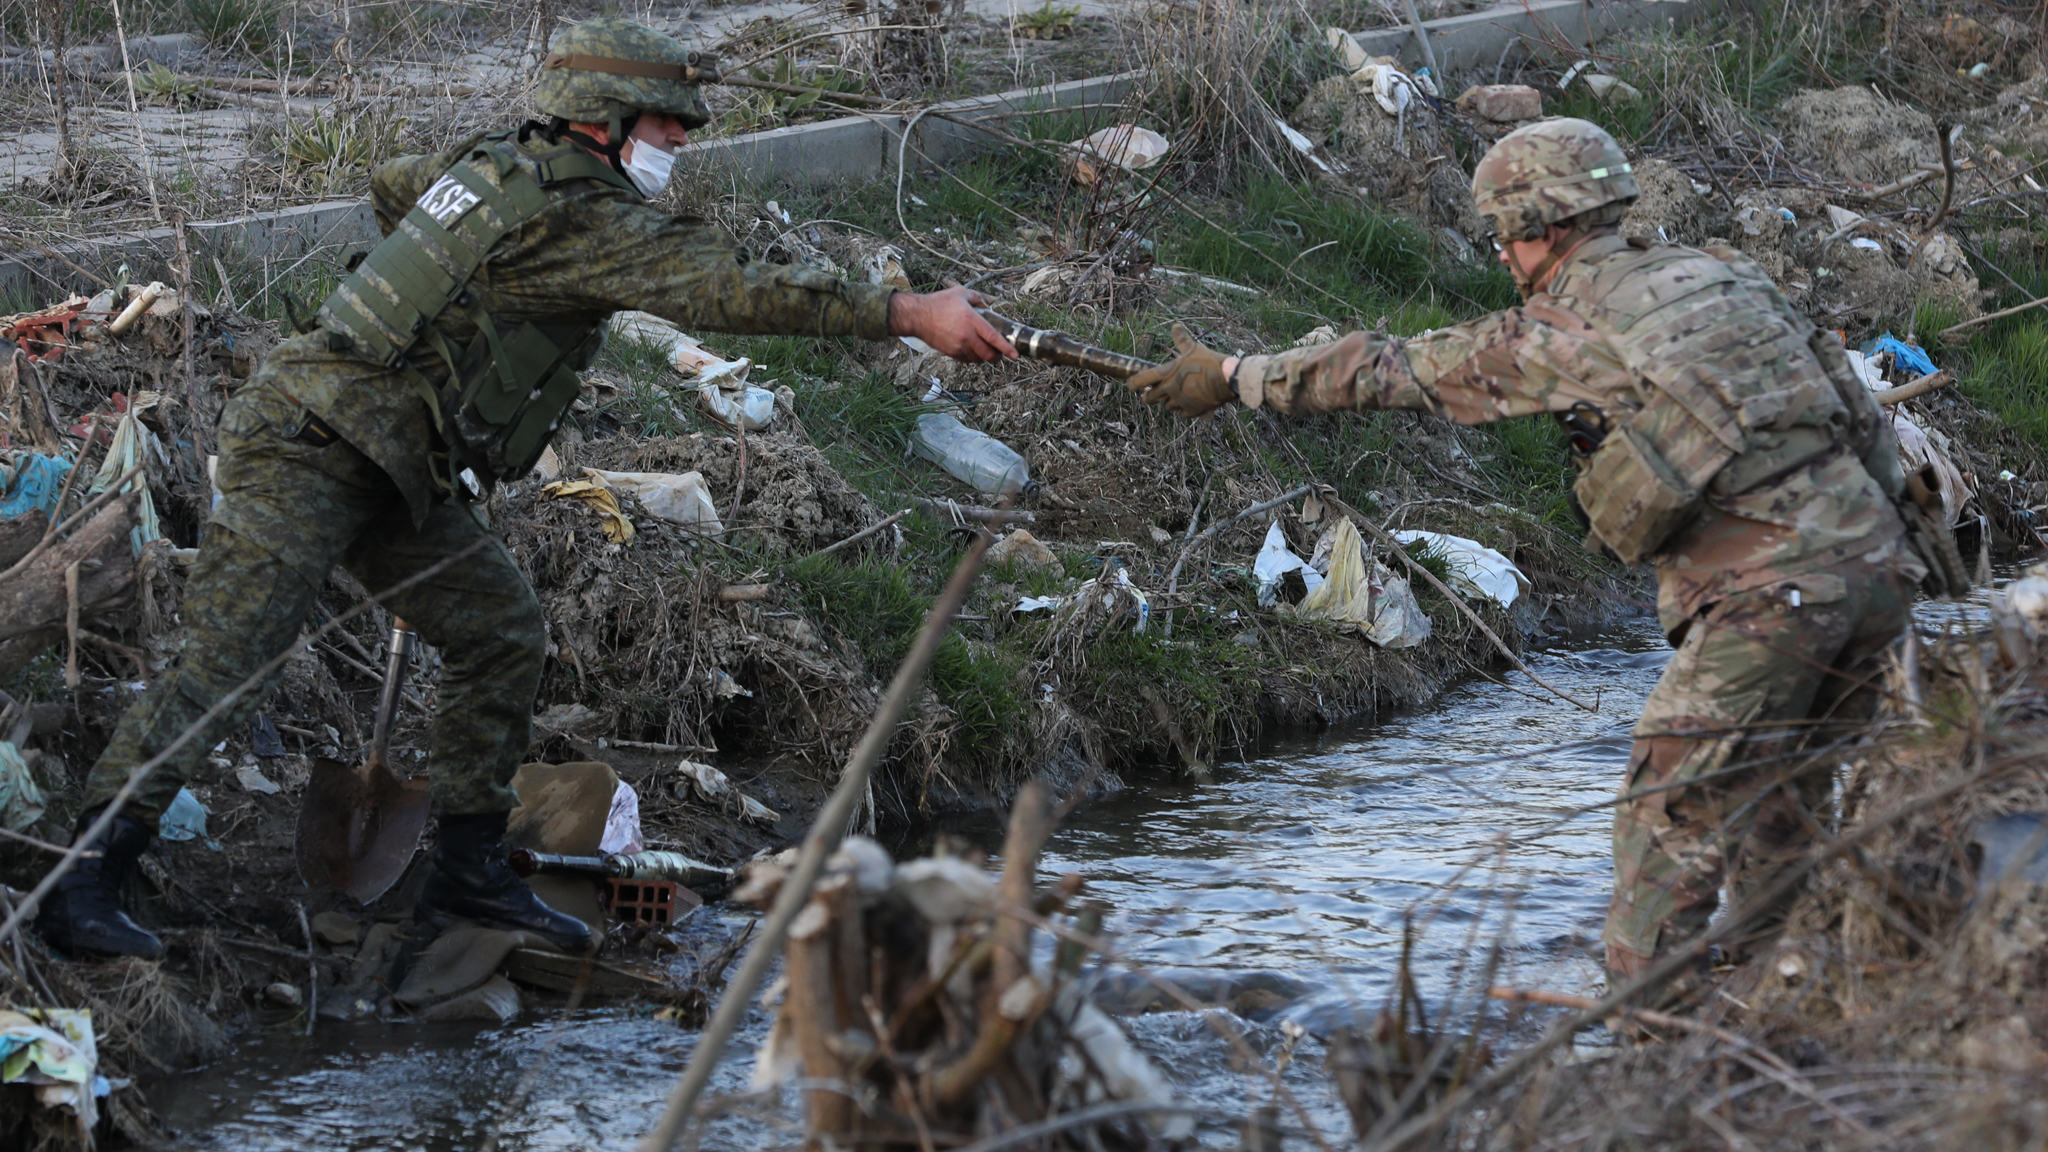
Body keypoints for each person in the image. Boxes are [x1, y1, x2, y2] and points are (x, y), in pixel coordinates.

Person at [37, 17, 1016, 960]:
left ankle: (466, 874)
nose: (682, 139)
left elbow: (394, 189)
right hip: (312, 444)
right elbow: (719, 285)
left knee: (500, 630)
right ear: (604, 120)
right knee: (226, 655)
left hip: (393, 462)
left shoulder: (497, 164)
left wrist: (450, 308)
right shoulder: (576, 213)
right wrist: (904, 312)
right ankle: (83, 880)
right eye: (668, 122)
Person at [1127, 118, 1934, 1000]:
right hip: (1882, 577)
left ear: (1543, 229)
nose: (1504, 260)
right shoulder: (1726, 277)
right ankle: (1798, 1024)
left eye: (1504, 238)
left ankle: (1650, 1050)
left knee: (1664, 821)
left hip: (1772, 600)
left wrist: (1236, 376)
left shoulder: (1573, 326)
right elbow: (1864, 422)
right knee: (1779, 804)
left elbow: (1397, 370)